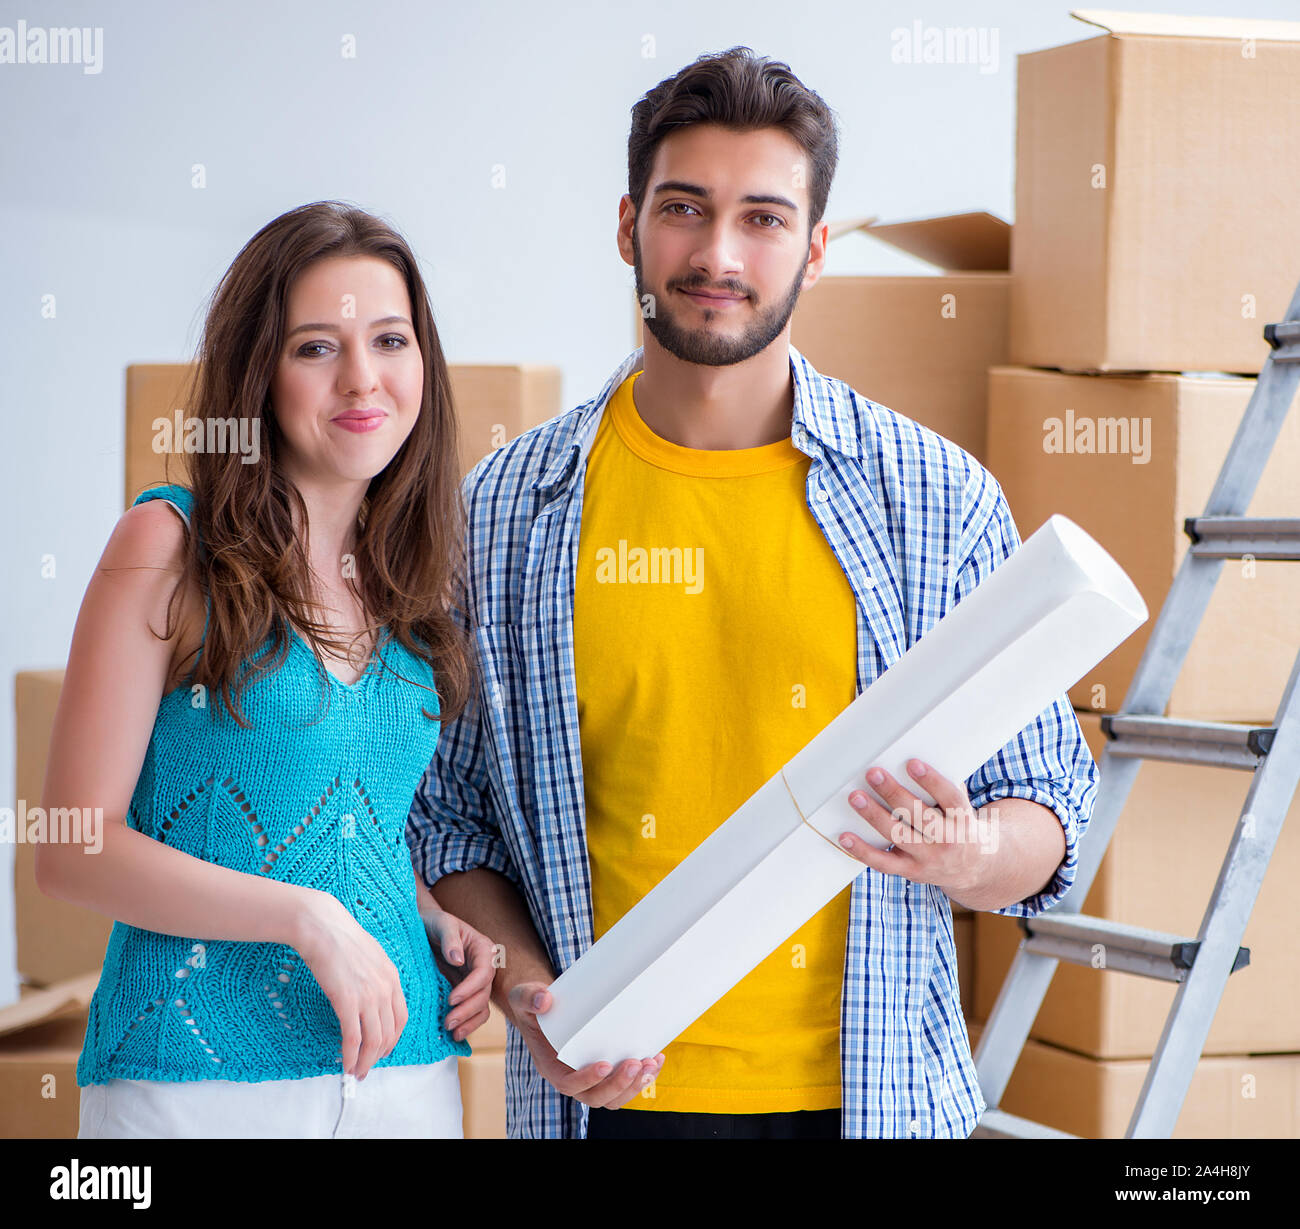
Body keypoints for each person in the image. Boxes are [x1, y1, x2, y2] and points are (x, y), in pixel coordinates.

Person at [408, 46, 1100, 1139]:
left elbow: (1055, 804)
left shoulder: (934, 497)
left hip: (869, 1101)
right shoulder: (502, 513)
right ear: (627, 224)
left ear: (816, 248)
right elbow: (449, 816)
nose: (717, 252)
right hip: (605, 1104)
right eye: (684, 208)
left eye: (764, 218)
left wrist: (969, 852)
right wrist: (535, 994)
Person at [38, 201, 497, 1139]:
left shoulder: (412, 577)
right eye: (316, 347)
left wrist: (429, 920)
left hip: (406, 1080)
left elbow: (343, 821)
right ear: (262, 373)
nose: (362, 378)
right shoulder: (169, 545)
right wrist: (309, 918)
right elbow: (71, 846)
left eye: (389, 339)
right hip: (194, 1080)